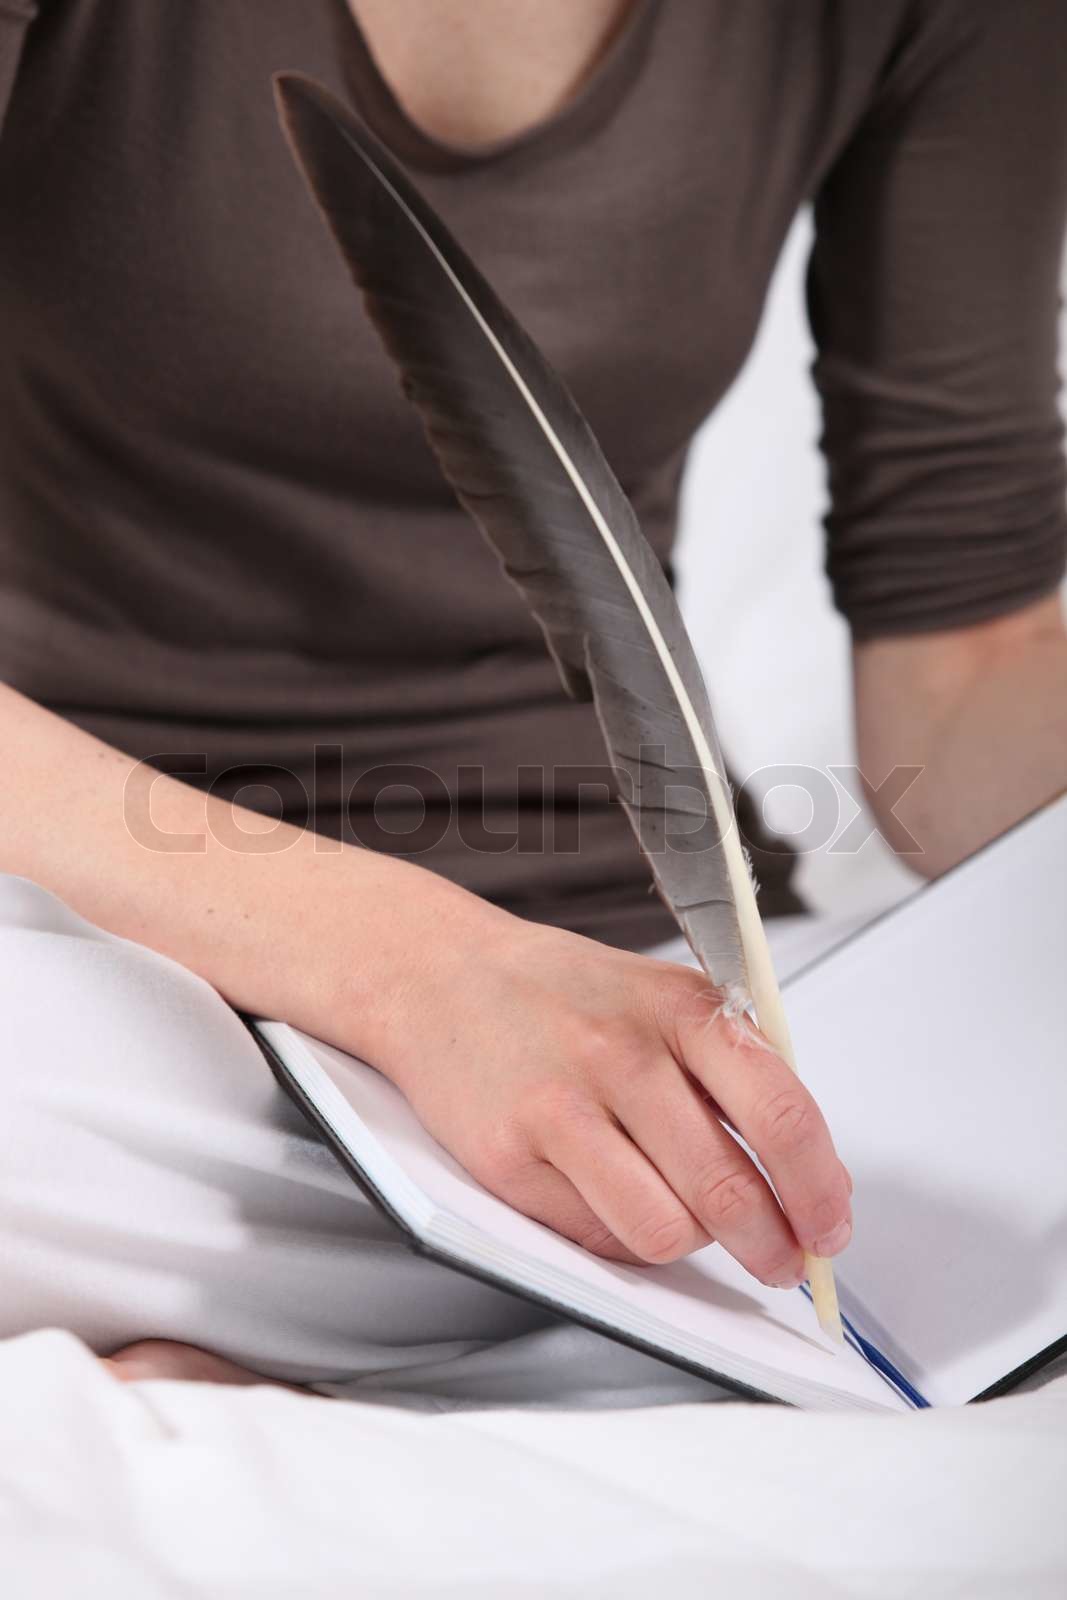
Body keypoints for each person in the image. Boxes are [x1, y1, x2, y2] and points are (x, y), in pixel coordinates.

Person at [1, 0, 1065, 1402]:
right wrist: (423, 974)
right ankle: (501, 1342)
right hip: (99, 922)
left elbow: (962, 655)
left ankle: (374, 1333)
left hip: (633, 981)